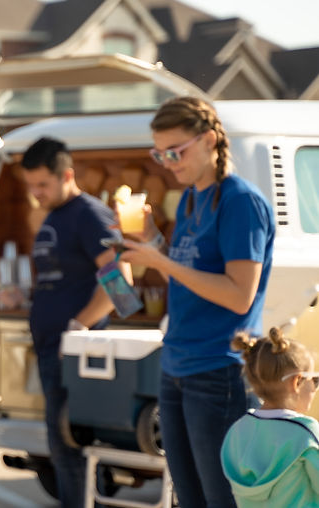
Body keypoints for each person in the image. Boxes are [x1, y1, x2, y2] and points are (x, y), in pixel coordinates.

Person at [122, 96, 275, 508]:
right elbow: (187, 273)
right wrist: (153, 240)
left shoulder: (240, 201)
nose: (168, 163)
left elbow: (239, 295)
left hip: (219, 369)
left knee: (221, 499)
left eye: (176, 151)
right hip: (176, 364)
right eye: (160, 154)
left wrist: (161, 261)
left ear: (209, 140)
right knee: (188, 498)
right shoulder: (191, 197)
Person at [20, 136, 125, 507]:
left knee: (73, 451)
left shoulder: (90, 214)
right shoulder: (55, 214)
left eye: (43, 185)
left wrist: (78, 327)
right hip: (54, 353)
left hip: (76, 357)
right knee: (63, 452)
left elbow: (120, 285)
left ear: (67, 175)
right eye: (31, 185)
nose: (36, 193)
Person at [221, 328, 319, 507]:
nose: (315, 388)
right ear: (296, 382)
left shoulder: (237, 431)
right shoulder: (306, 433)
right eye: (315, 380)